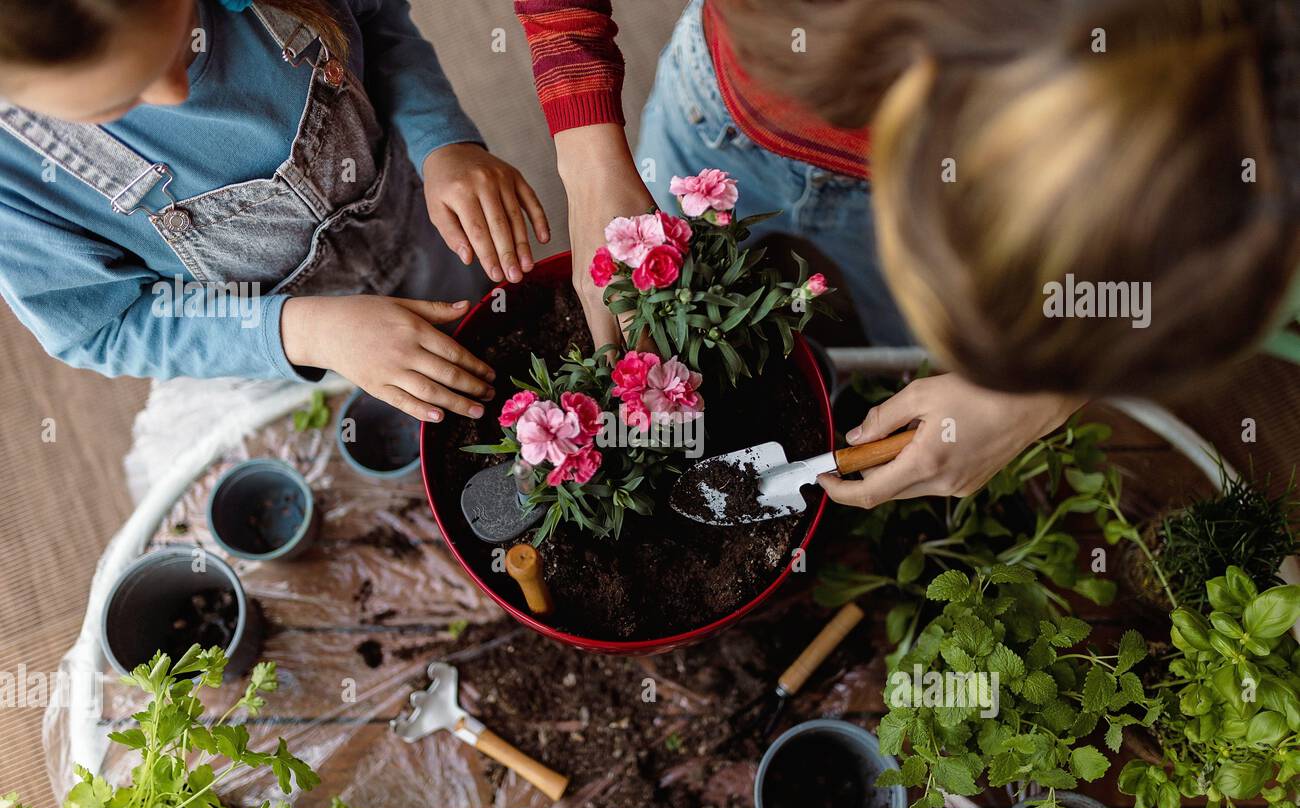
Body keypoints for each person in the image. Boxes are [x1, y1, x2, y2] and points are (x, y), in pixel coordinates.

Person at [514, 0, 1299, 507]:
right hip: (723, 124)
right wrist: (589, 158)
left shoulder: (1248, 124)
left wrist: (1037, 393)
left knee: (874, 350)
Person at [0, 0, 551, 423]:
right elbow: (102, 326)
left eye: (179, 38)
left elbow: (378, 24)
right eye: (115, 103)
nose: (174, 92)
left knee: (485, 331)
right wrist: (308, 333)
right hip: (270, 348)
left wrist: (442, 142)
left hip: (418, 230)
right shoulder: (14, 176)